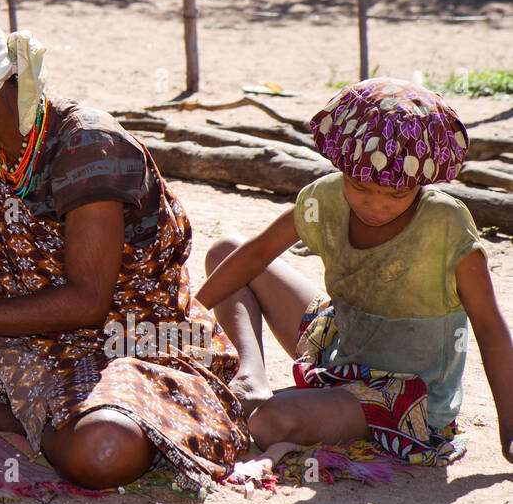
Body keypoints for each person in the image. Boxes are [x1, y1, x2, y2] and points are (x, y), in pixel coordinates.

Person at [0, 0, 246, 491]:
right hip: (17, 346)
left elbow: (85, 301)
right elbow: (5, 266)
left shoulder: (88, 147)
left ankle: (8, 417)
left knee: (101, 451)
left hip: (130, 343)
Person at [195, 78, 513, 466]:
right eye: (360, 186)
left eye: (397, 194)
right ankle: (251, 376)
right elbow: (257, 253)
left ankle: (307, 403)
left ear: (422, 180)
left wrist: (511, 431)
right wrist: (187, 317)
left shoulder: (445, 224)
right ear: (342, 164)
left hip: (404, 391)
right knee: (227, 250)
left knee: (271, 422)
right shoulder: (324, 197)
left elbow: (489, 323)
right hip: (339, 343)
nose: (376, 204)